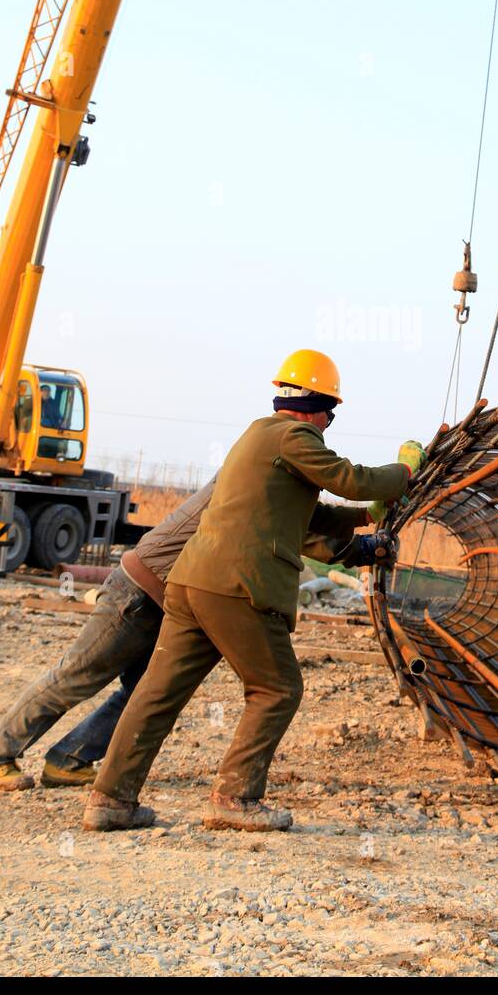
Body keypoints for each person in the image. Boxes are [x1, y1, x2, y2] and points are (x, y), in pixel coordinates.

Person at [83, 349, 425, 834]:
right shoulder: (296, 435)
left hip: (192, 581)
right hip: (236, 588)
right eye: (332, 411)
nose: (330, 421)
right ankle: (235, 797)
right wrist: (405, 472)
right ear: (316, 403)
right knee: (277, 688)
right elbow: (352, 479)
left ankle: (110, 799)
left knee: (158, 693)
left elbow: (309, 517)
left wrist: (366, 517)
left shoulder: (260, 438)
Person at [0, 468, 392, 793]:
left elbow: (306, 527)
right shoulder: (248, 488)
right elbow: (308, 531)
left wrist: (365, 531)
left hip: (171, 602)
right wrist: (370, 523)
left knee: (141, 694)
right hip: (139, 590)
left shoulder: (268, 488)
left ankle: (69, 759)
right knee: (77, 675)